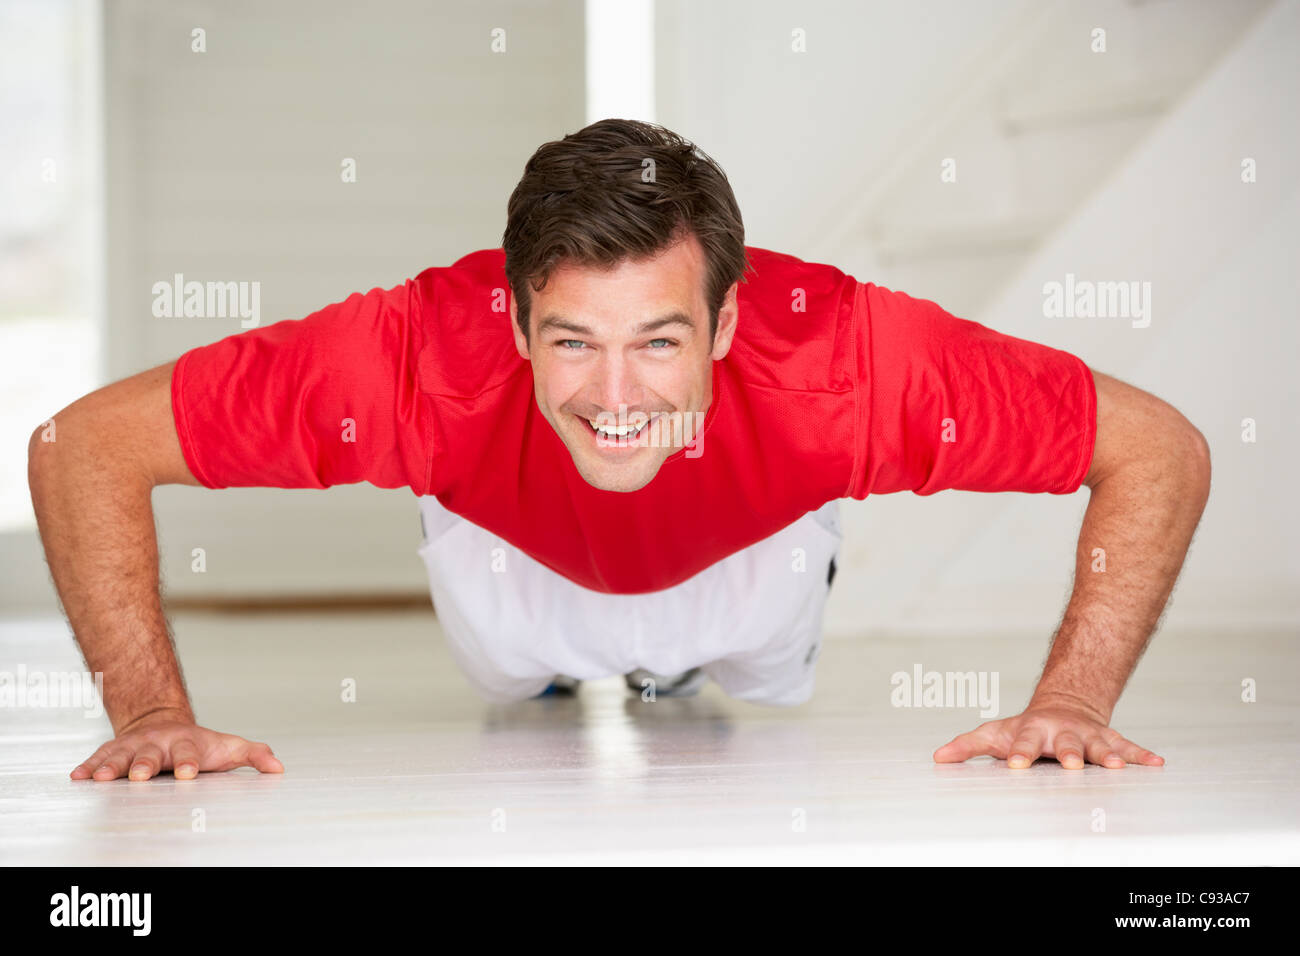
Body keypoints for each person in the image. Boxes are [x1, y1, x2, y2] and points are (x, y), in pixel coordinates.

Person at [28, 119, 1210, 782]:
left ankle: (677, 667)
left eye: (657, 340)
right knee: (511, 668)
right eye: (570, 341)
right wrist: (147, 715)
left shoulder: (847, 358)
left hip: (747, 570)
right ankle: (569, 664)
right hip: (516, 571)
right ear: (510, 313)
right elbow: (78, 445)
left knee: (749, 669)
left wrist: (1070, 701)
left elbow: (1158, 447)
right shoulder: (408, 355)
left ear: (730, 321)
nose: (613, 392)